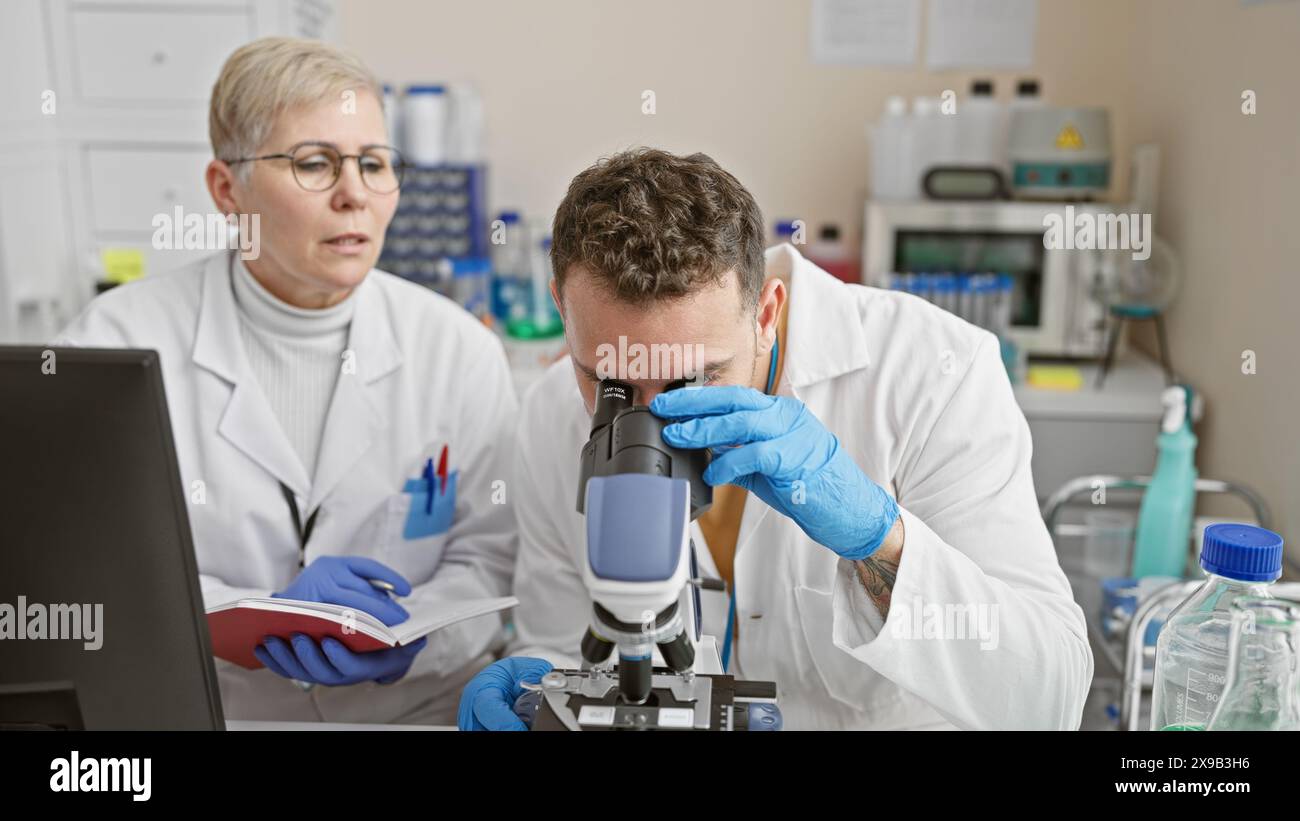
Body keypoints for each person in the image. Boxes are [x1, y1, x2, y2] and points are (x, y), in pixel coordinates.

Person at [459, 148, 1092, 731]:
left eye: (693, 379)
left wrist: (880, 539)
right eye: (613, 384)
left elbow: (1049, 698)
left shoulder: (934, 374)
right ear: (561, 311)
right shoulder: (549, 414)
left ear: (766, 313)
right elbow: (565, 643)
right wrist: (539, 686)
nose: (654, 420)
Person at [54, 38, 516, 725]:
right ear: (225, 189)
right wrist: (250, 612)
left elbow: (490, 560)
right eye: (314, 163)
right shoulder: (114, 346)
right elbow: (78, 574)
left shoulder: (458, 350)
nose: (354, 194)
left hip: (411, 715)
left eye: (373, 163)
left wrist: (416, 639)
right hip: (211, 714)